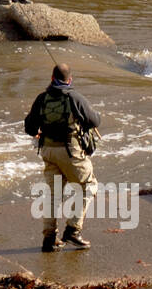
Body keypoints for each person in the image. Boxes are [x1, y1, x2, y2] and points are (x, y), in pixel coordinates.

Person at [24, 64, 100, 251]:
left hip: (48, 151)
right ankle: (73, 231)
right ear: (70, 80)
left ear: (51, 79)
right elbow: (95, 121)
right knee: (88, 186)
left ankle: (49, 239)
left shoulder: (42, 99)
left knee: (53, 194)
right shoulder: (75, 97)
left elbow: (30, 128)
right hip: (70, 152)